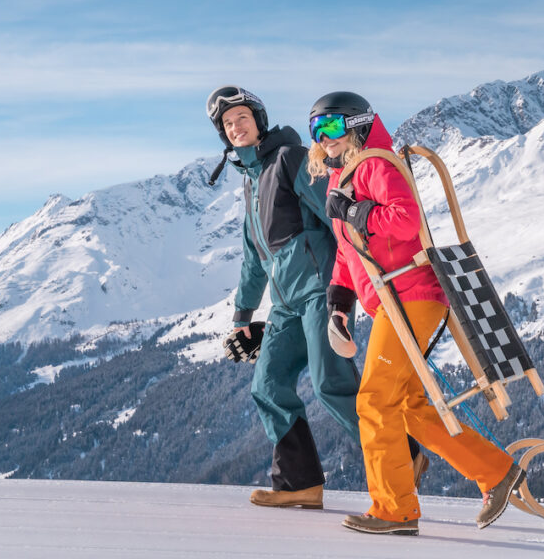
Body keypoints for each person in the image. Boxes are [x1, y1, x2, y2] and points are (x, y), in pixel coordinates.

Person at [307, 90, 526, 536]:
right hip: (389, 301)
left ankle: (394, 510)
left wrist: (355, 211)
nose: (323, 137)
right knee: (408, 407)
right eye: (316, 129)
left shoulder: (377, 164)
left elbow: (404, 221)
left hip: (411, 295)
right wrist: (339, 303)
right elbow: (349, 254)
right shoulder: (340, 179)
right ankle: (497, 472)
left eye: (331, 126)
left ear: (358, 124)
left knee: (373, 400)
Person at [205, 85, 363, 510]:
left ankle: (402, 457)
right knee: (268, 384)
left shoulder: (290, 158)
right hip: (285, 304)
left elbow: (335, 216)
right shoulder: (251, 182)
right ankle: (299, 483)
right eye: (227, 124)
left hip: (320, 290)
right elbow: (254, 259)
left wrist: (349, 287)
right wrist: (243, 316)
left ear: (258, 119)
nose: (236, 127)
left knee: (332, 382)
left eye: (242, 118)